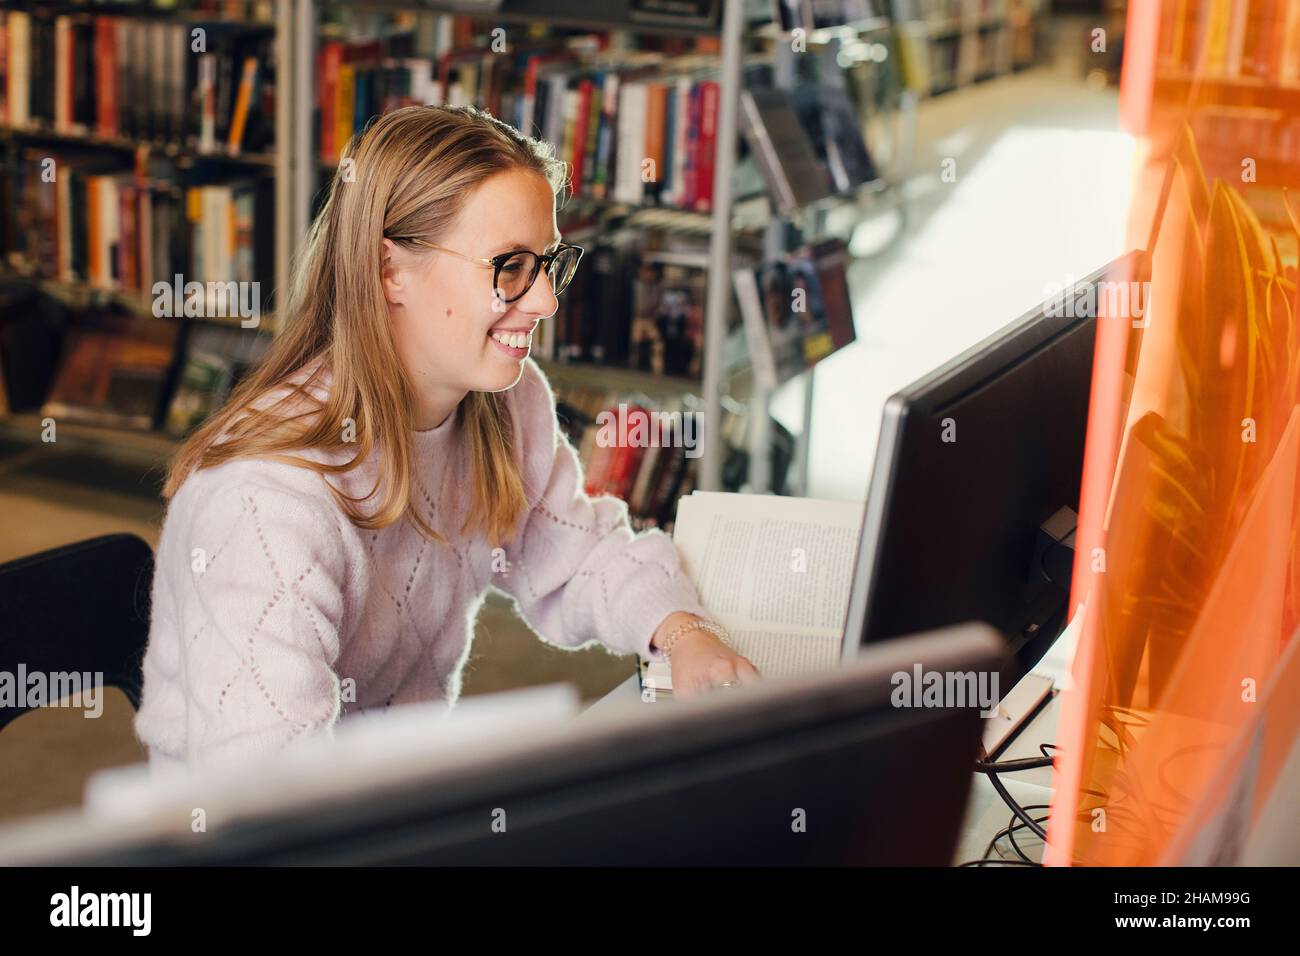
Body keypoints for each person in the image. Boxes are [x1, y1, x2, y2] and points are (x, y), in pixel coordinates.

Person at [135, 105, 759, 770]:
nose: (546, 301)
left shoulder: (503, 402)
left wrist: (683, 634)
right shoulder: (265, 501)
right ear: (389, 272)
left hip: (404, 804)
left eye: (549, 263)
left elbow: (577, 557)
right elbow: (263, 789)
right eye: (510, 265)